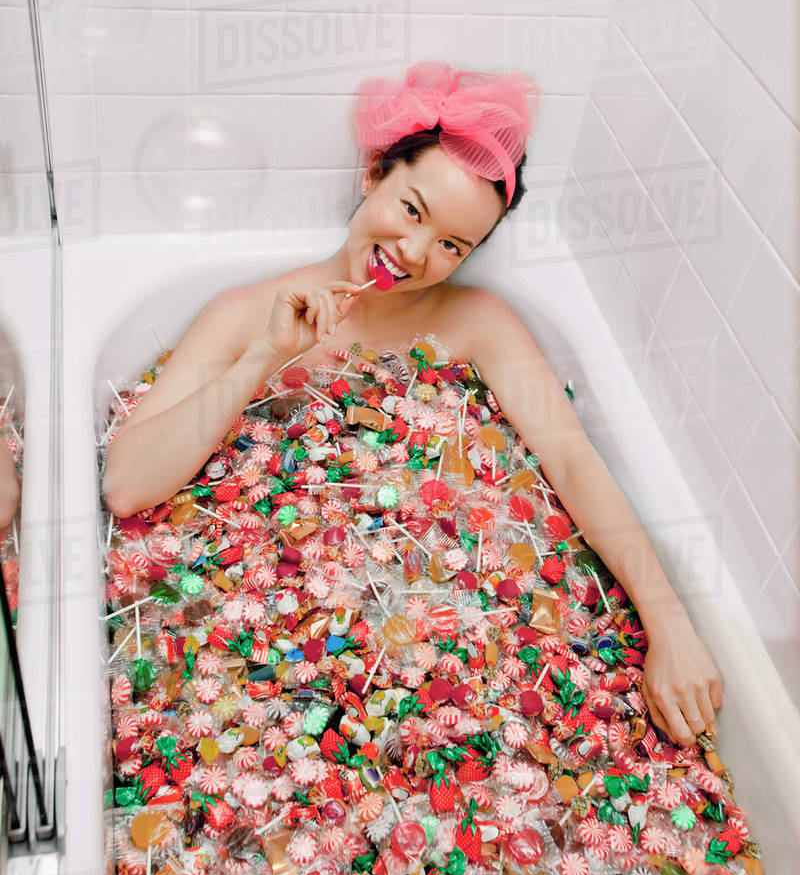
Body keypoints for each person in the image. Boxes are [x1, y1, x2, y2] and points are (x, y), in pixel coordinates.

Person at [102, 60, 722, 752]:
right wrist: (263, 358)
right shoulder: (247, 314)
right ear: (373, 175)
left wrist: (669, 624)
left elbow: (575, 465)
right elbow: (127, 487)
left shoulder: (477, 324)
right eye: (412, 210)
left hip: (455, 657)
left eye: (452, 244)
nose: (415, 253)